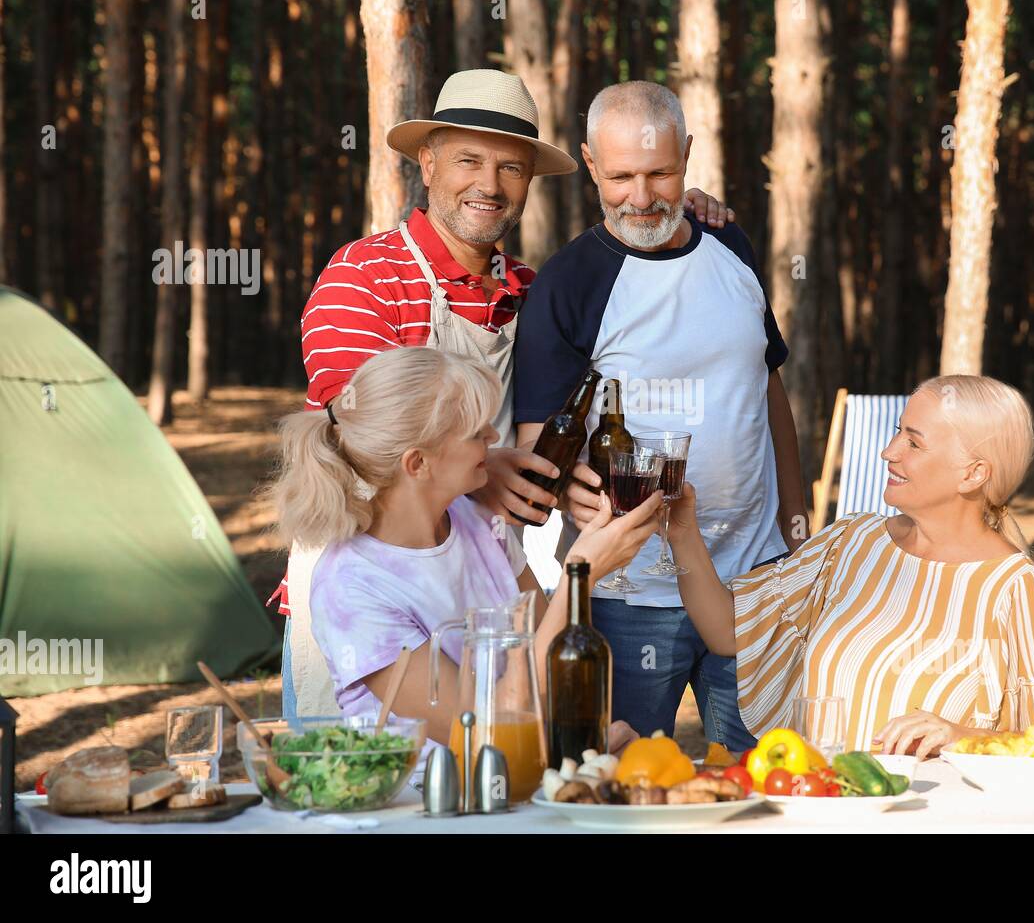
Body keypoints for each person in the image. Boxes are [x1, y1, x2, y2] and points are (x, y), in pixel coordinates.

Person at [271, 69, 733, 718]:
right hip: (372, 597)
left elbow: (559, 416)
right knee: (361, 792)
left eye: (511, 168)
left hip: (485, 586)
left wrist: (678, 211)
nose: (489, 185)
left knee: (493, 767)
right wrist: (483, 473)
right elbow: (366, 433)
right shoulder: (364, 275)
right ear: (427, 164)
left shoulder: (530, 289)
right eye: (469, 160)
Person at [513, 82, 807, 751]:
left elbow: (768, 389)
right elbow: (539, 445)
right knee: (622, 785)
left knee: (765, 780)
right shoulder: (569, 282)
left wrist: (795, 526)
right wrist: (568, 489)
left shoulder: (732, 247)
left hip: (754, 579)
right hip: (627, 595)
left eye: (660, 173)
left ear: (689, 156)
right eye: (620, 177)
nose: (641, 197)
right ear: (589, 165)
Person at [666, 374, 1034, 758]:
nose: (889, 451)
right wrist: (682, 531)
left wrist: (962, 737)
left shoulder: (1016, 589)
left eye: (914, 442)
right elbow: (727, 630)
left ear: (973, 474)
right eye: (899, 431)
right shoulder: (852, 542)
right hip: (822, 814)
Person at [267, 345, 662, 752]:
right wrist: (580, 574)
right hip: (428, 803)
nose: (494, 438)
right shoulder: (350, 587)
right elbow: (483, 732)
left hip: (523, 781)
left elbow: (551, 665)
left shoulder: (474, 520)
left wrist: (584, 746)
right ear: (418, 463)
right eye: (476, 433)